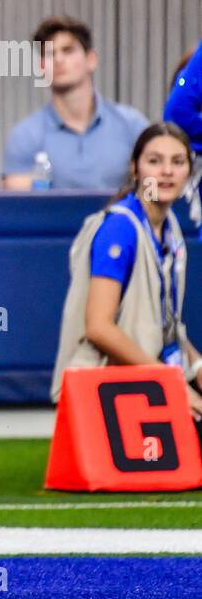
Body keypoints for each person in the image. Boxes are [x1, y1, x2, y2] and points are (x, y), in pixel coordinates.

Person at [51, 123, 202, 431]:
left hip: (151, 372)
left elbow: (165, 325)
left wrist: (197, 364)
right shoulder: (120, 228)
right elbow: (98, 327)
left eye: (177, 162)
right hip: (110, 383)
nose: (167, 172)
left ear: (189, 171)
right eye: (154, 161)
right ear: (135, 169)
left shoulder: (170, 227)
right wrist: (171, 384)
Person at [2, 16, 148, 191]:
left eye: (68, 50)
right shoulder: (24, 137)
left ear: (91, 60)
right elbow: (17, 209)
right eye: (49, 54)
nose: (58, 60)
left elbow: (155, 193)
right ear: (41, 67)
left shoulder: (132, 126)